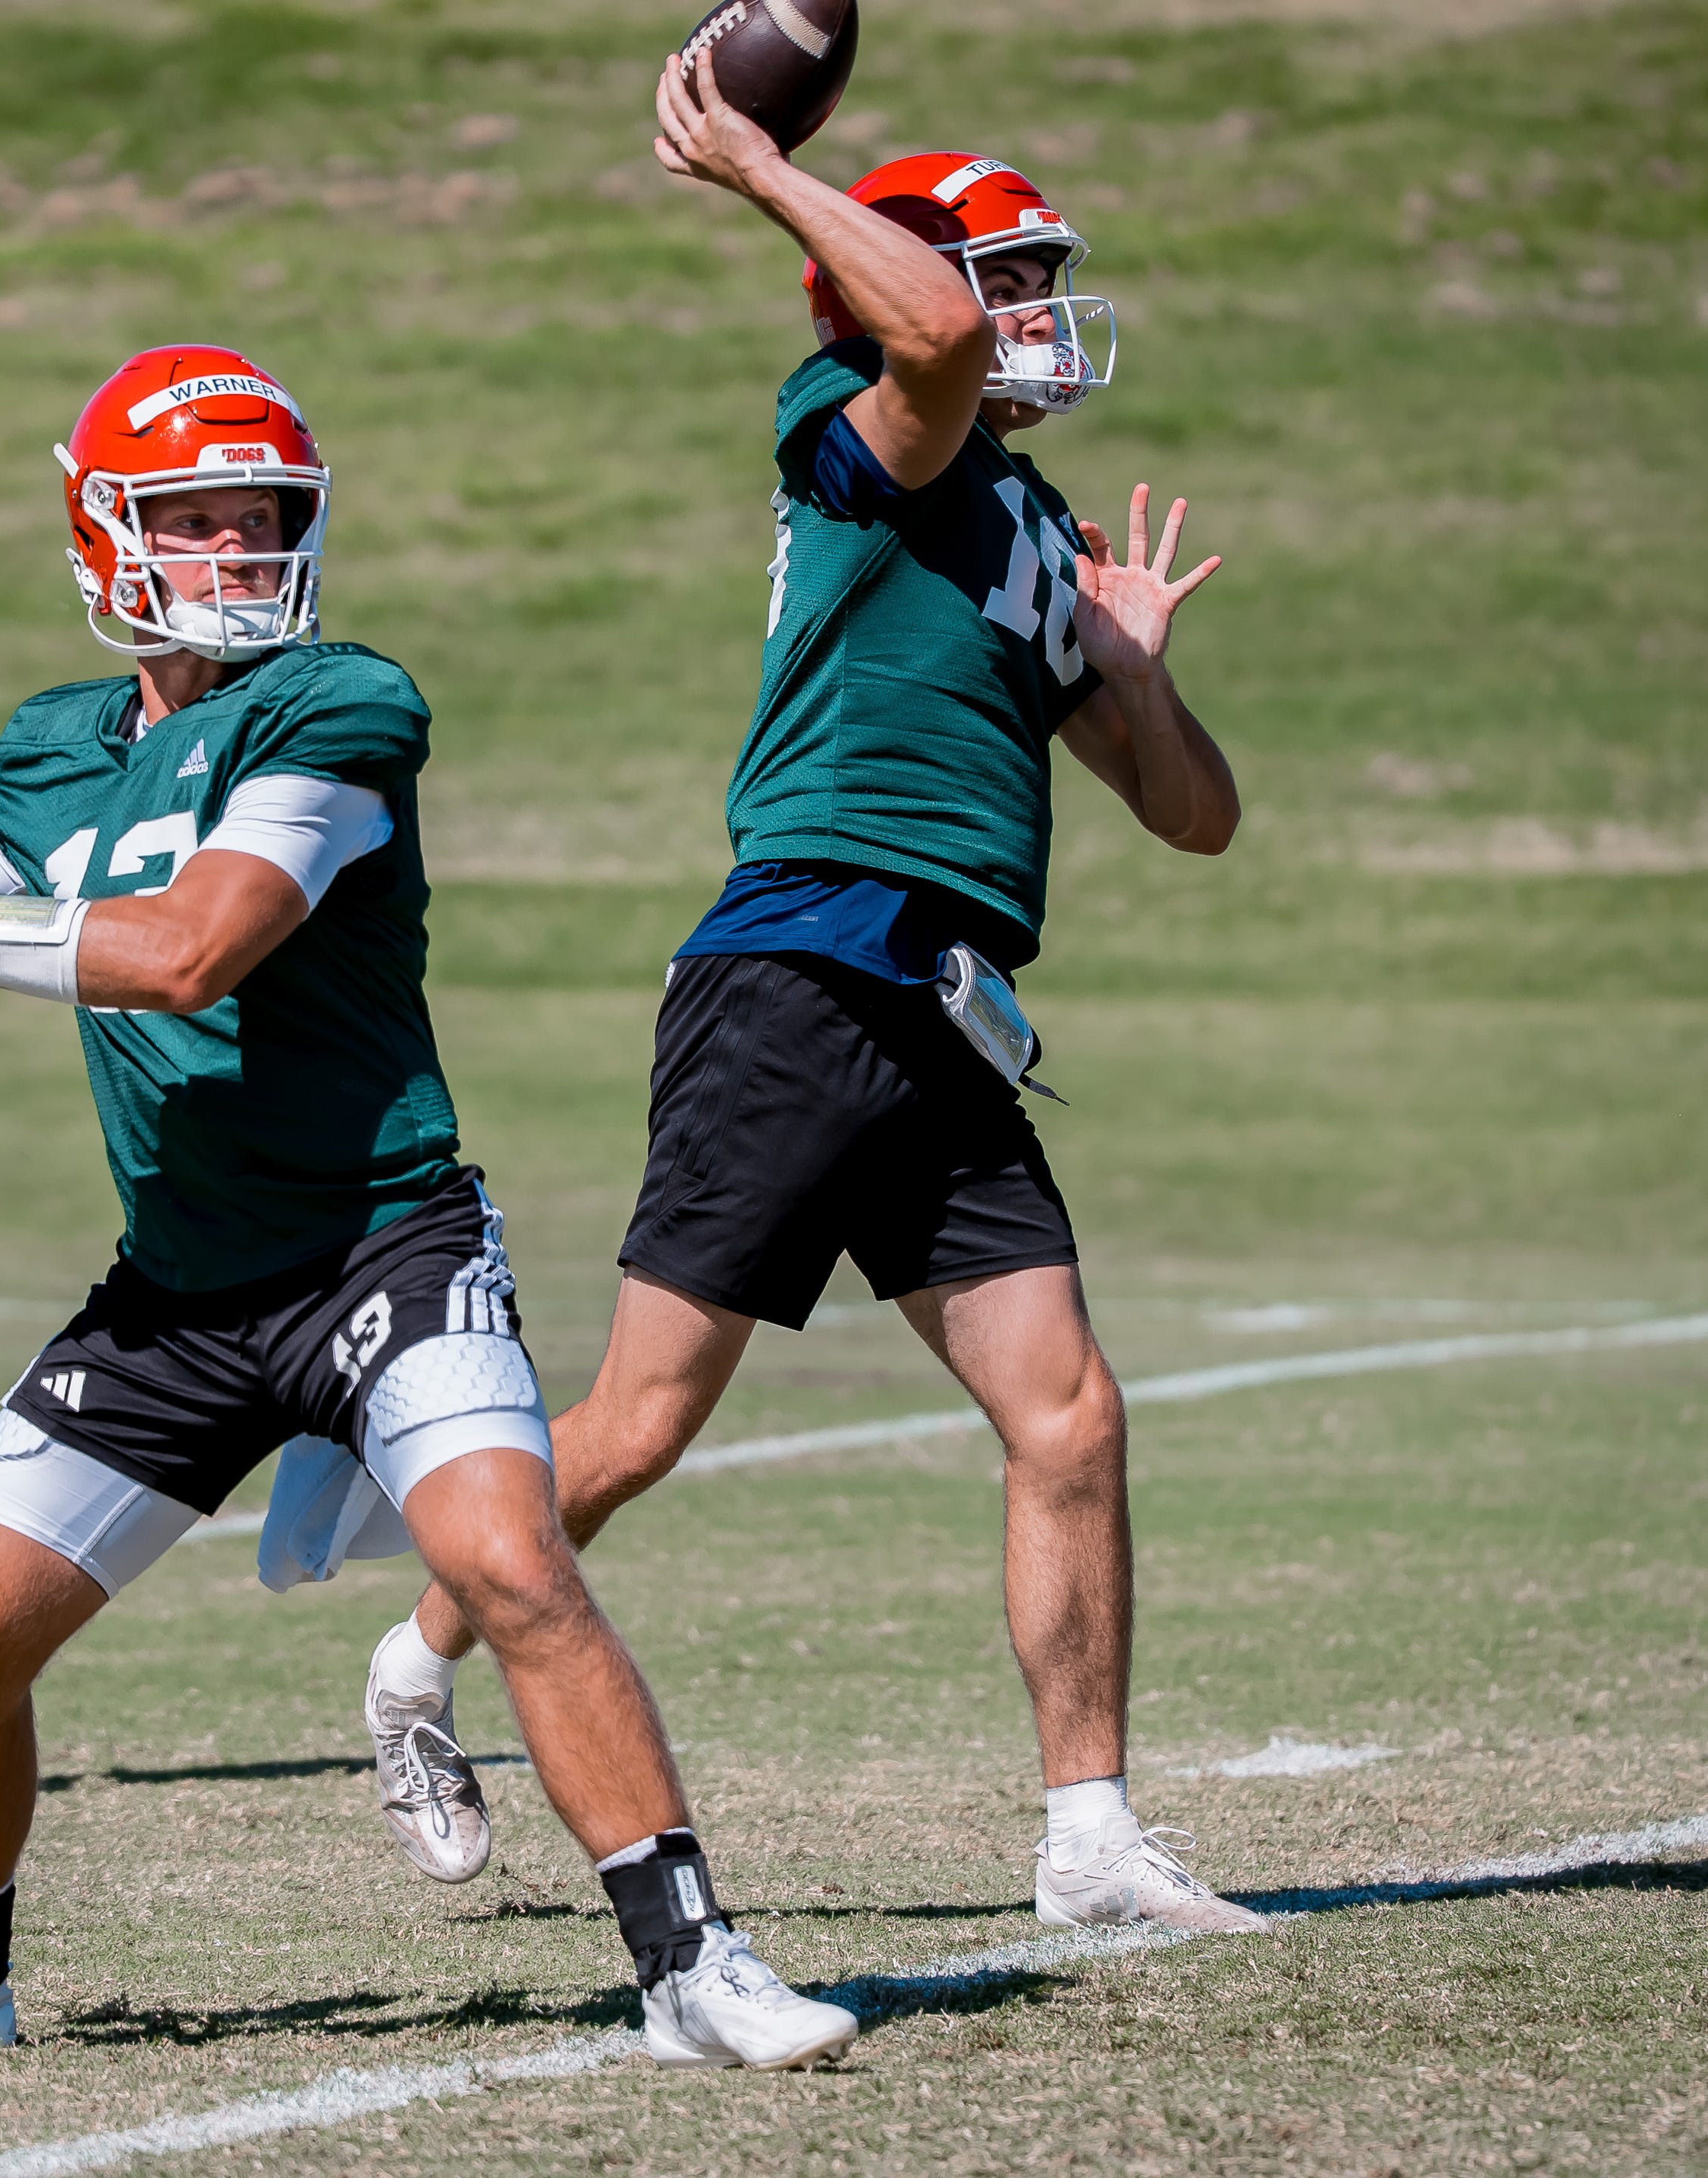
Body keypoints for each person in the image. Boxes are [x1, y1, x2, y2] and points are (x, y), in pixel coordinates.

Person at [0, 345, 860, 2071]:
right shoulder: (55, 749)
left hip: (384, 1242)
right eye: (196, 520)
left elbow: (190, 947)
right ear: (105, 536)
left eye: (263, 515)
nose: (239, 549)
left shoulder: (337, 702)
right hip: (179, 1289)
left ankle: (693, 1961)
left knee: (513, 1564)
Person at [353, 57, 1264, 1938]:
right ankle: (416, 1655)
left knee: (1070, 1417)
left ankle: (1087, 1837)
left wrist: (1139, 670)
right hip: (794, 971)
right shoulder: (865, 418)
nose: (1029, 312)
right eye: (1003, 278)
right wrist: (766, 163)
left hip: (940, 1002)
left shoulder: (1025, 518)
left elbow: (1195, 821)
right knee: (640, 1423)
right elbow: (923, 333)